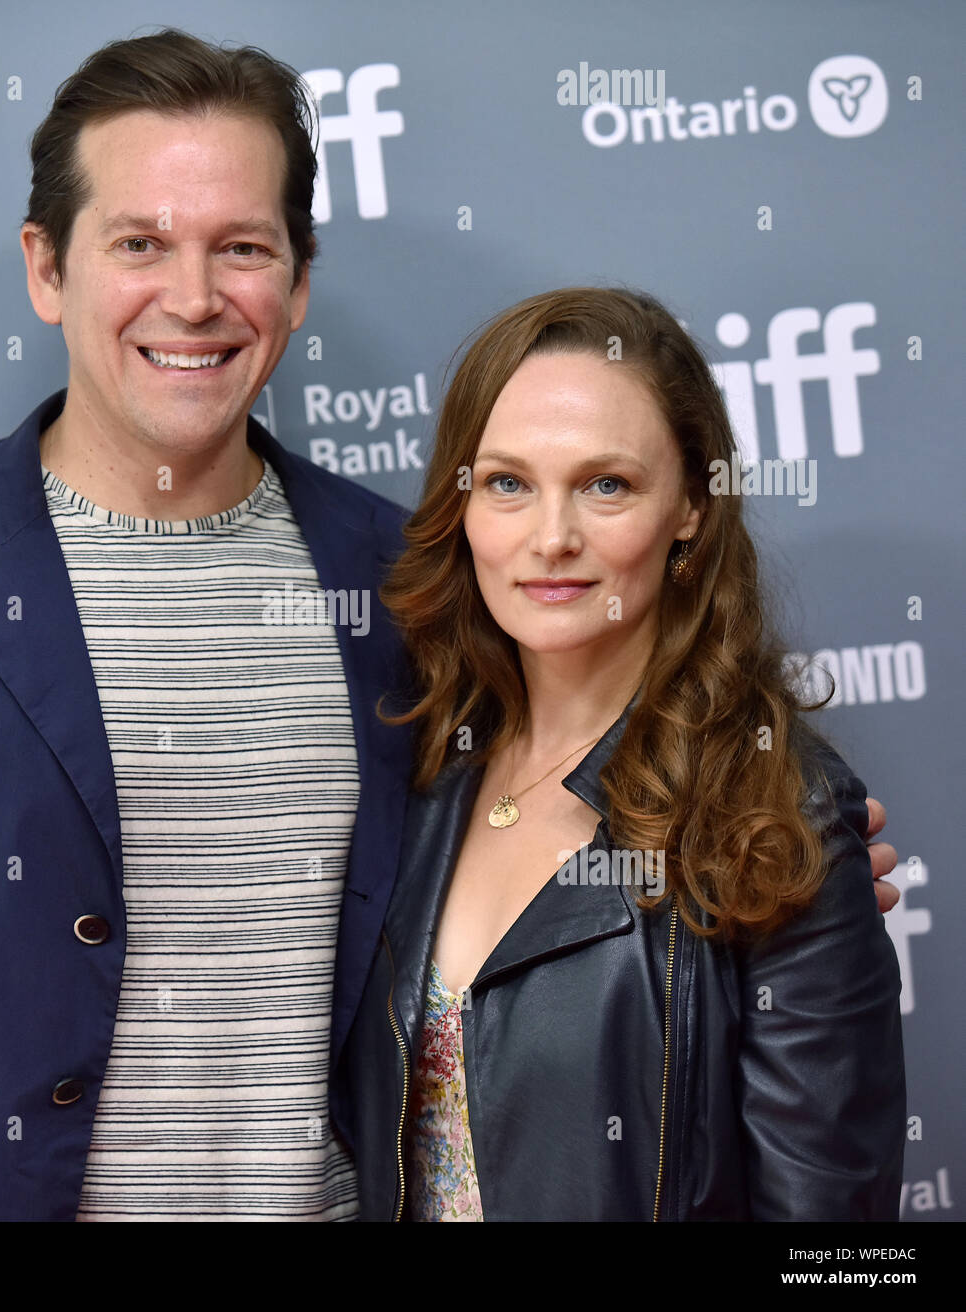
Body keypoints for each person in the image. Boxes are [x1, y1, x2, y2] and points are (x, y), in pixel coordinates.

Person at [0, 32, 898, 1222]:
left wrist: (791, 878)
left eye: (241, 247)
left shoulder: (405, 581)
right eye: (139, 243)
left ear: (297, 281)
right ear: (45, 268)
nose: (192, 297)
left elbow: (571, 823)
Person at [338, 287, 906, 1221]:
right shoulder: (422, 767)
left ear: (689, 506)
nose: (550, 539)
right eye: (508, 483)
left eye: (607, 484)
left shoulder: (774, 806)